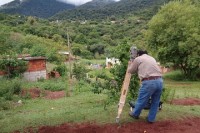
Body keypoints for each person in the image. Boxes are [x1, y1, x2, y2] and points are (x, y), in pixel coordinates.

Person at [127, 50, 163, 123]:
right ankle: (151, 119)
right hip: (160, 81)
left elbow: (131, 71)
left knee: (141, 99)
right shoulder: (152, 58)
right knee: (155, 101)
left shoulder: (138, 58)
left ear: (138, 54)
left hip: (149, 81)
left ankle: (135, 114)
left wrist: (131, 64)